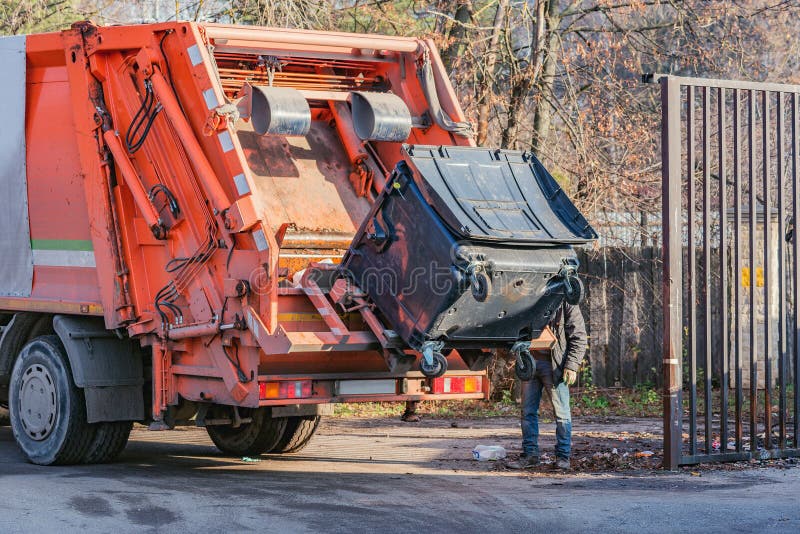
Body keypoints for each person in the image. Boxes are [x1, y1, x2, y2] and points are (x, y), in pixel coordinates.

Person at [507, 302, 587, 470]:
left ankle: (563, 458)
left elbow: (579, 335)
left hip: (555, 365)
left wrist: (571, 365)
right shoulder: (530, 295)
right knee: (527, 412)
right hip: (530, 362)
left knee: (562, 414)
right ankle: (530, 456)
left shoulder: (566, 301)